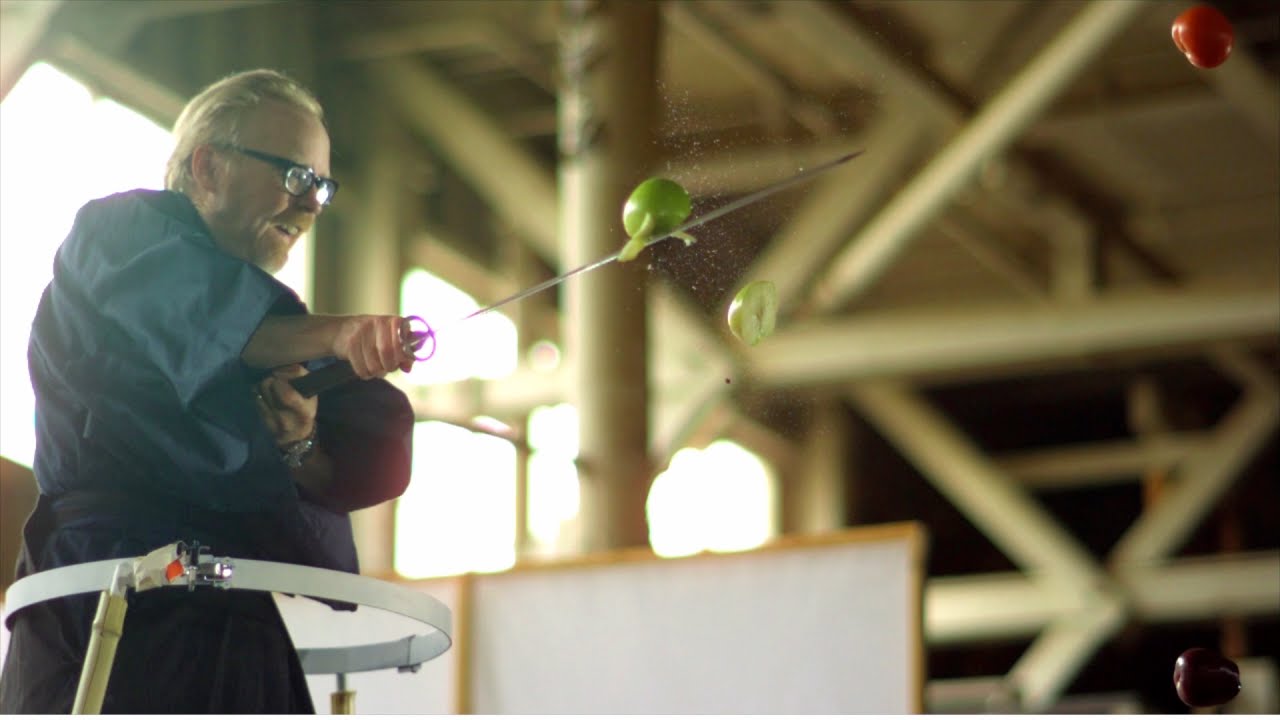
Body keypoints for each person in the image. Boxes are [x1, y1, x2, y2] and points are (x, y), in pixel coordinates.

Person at [0, 69, 418, 713]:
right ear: (207, 167)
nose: (311, 204)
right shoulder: (116, 237)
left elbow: (360, 459)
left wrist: (301, 442)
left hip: (235, 617)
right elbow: (195, 310)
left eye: (322, 187)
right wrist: (341, 335)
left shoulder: (281, 325)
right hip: (111, 605)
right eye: (296, 177)